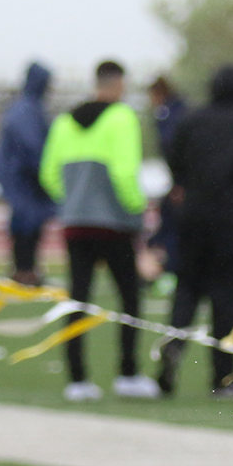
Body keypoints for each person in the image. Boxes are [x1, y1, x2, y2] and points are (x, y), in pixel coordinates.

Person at [40, 60, 153, 402]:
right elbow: (124, 172)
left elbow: (48, 175)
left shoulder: (62, 123)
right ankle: (128, 373)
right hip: (114, 224)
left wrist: (72, 202)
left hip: (76, 223)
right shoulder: (122, 118)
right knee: (130, 299)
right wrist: (136, 207)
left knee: (78, 300)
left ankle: (77, 379)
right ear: (119, 84)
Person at [159, 64, 233, 397]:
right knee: (226, 299)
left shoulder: (190, 121)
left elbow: (172, 157)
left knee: (186, 291)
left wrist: (183, 185)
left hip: (191, 215)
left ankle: (169, 357)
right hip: (231, 218)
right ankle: (223, 378)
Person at [0, 62, 56, 285]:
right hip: (21, 177)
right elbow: (32, 147)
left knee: (28, 221)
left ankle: (26, 268)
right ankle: (24, 270)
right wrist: (46, 173)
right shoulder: (26, 109)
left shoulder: (26, 107)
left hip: (20, 176)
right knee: (27, 221)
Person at [146, 75, 190, 279]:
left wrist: (178, 182)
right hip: (182, 180)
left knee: (171, 224)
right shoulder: (181, 110)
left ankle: (171, 268)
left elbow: (172, 149)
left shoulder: (168, 115)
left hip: (181, 181)